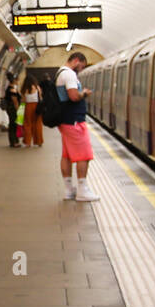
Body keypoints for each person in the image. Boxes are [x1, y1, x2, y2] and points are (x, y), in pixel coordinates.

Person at [56, 52, 102, 202]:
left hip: (65, 121)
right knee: (84, 155)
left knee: (67, 156)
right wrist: (85, 94)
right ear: (76, 60)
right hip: (74, 121)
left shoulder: (60, 72)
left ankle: (69, 190)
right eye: (81, 66)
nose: (80, 70)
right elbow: (74, 96)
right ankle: (82, 190)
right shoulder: (69, 74)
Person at [22, 75, 44, 147]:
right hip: (37, 107)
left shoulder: (25, 89)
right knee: (38, 124)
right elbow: (40, 98)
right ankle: (39, 141)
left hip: (28, 107)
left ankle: (28, 142)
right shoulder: (37, 87)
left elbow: (23, 100)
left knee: (28, 124)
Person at [2, 74, 22, 148]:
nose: (18, 82)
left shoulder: (11, 88)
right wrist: (18, 110)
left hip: (10, 108)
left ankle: (14, 141)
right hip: (13, 108)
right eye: (17, 80)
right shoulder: (12, 89)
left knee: (13, 125)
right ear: (14, 80)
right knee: (13, 125)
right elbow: (15, 101)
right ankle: (14, 142)